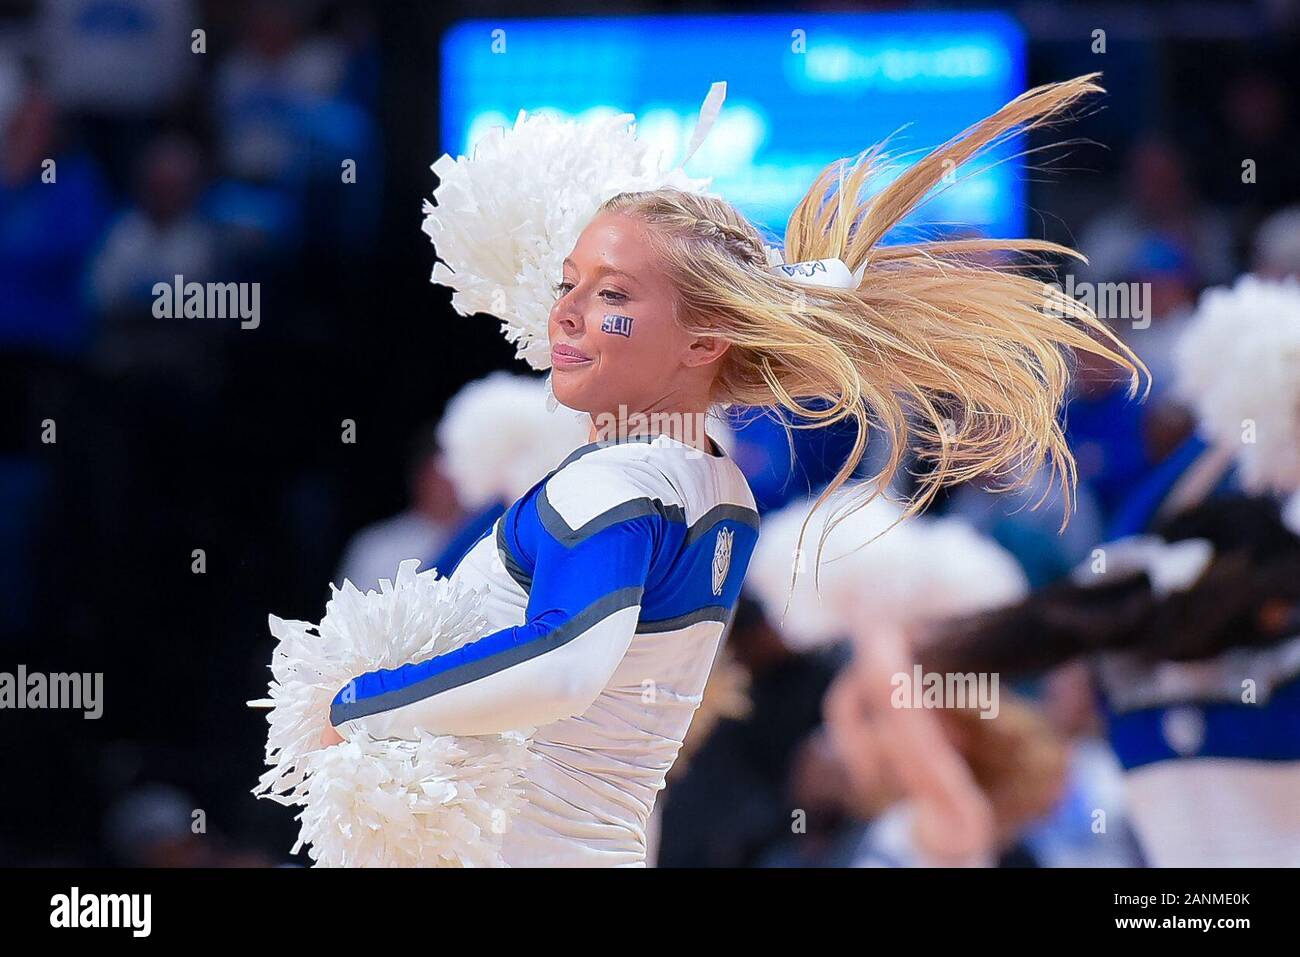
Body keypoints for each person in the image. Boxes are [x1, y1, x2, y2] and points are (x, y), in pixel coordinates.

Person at [317, 75, 1142, 866]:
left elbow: (564, 663)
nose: (564, 311)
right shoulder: (717, 484)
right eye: (567, 284)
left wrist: (360, 701)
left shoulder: (618, 482)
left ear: (704, 342)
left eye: (612, 296)